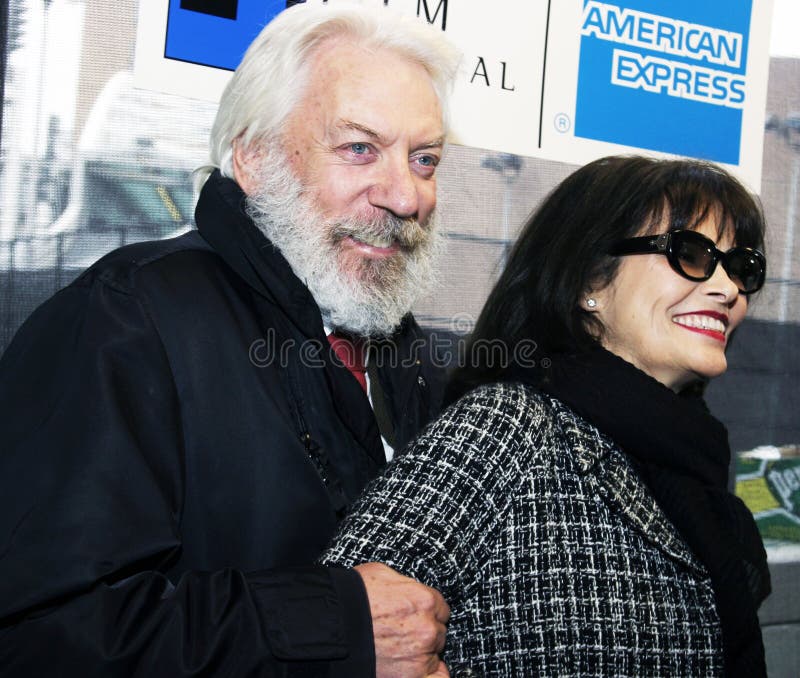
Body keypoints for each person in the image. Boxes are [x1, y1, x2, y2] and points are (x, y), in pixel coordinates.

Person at [0, 2, 461, 676]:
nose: (406, 195)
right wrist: (334, 625)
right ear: (253, 157)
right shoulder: (126, 320)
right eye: (360, 148)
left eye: (425, 160)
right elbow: (43, 634)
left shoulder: (404, 357)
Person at [323, 155, 772, 677]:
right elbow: (338, 631)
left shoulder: (697, 464)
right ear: (588, 282)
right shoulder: (505, 426)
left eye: (741, 267)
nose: (728, 290)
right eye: (690, 254)